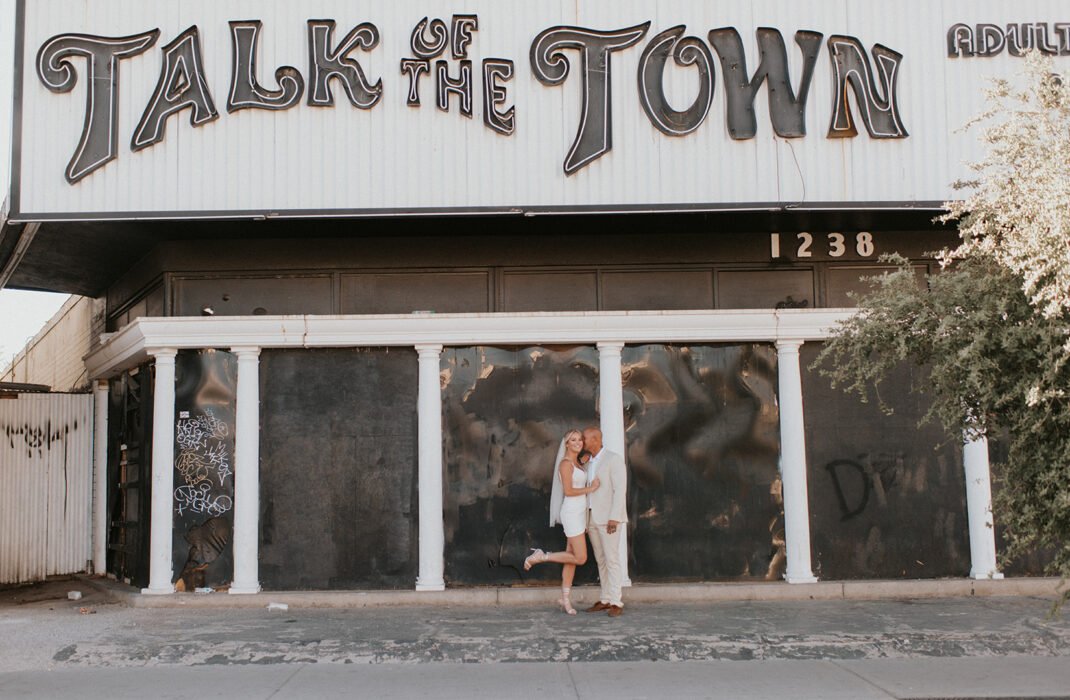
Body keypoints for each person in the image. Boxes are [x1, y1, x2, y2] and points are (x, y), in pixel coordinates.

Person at [523, 428, 600, 614]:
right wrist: (591, 489)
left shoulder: (578, 462)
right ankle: (541, 556)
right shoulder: (566, 464)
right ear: (566, 444)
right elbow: (569, 491)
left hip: (581, 513)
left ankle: (565, 599)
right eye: (573, 440)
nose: (578, 443)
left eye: (580, 440)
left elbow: (588, 460)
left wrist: (587, 459)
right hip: (572, 512)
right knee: (581, 558)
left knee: (571, 558)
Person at [582, 426, 628, 617]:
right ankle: (605, 598)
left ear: (595, 439)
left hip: (608, 518)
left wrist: (614, 518)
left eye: (584, 438)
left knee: (612, 559)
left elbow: (619, 490)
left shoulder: (613, 459)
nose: (582, 442)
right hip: (591, 517)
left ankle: (617, 601)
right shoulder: (587, 462)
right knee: (600, 559)